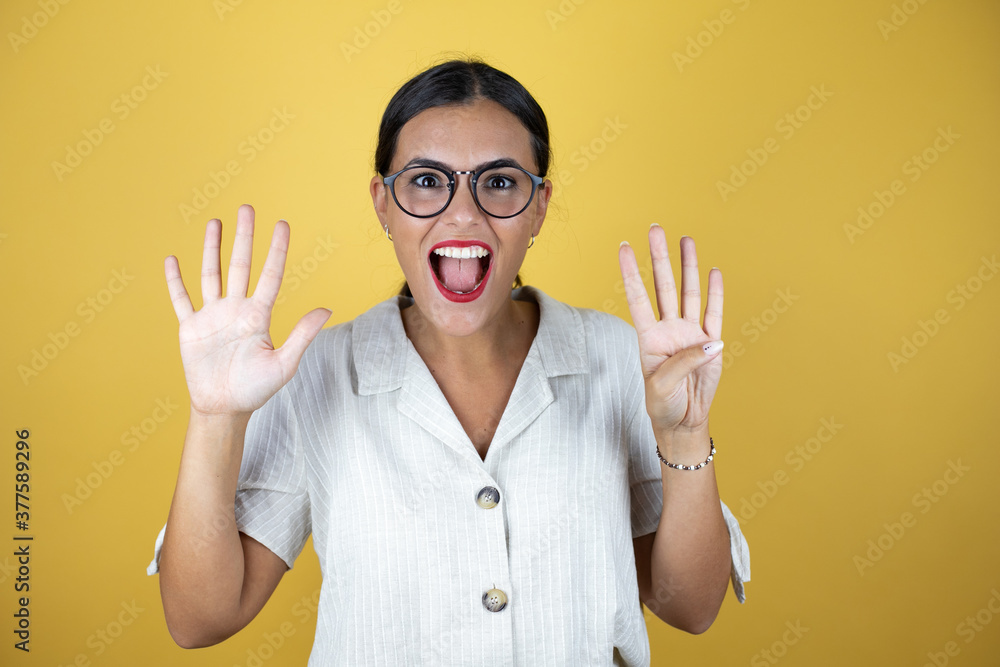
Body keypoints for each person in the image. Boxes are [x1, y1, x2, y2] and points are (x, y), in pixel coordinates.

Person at [147, 57, 750, 665]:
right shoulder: (317, 375)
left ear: (540, 206)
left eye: (500, 182)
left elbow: (691, 607)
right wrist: (216, 418)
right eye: (429, 181)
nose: (463, 213)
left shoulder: (621, 359)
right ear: (383, 202)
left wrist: (687, 433)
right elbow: (200, 617)